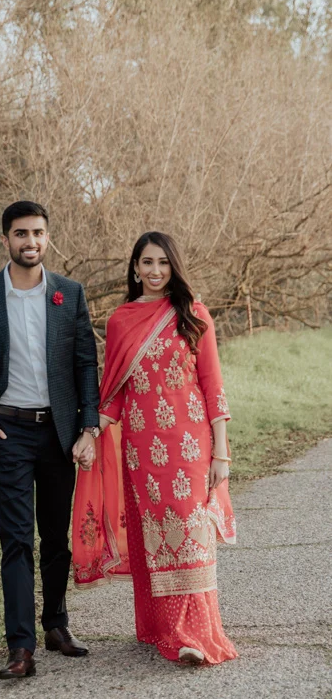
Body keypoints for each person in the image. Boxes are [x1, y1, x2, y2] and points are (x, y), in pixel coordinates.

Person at [0, 201, 100, 680]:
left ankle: (55, 626)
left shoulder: (69, 294)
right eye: (20, 234)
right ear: (5, 240)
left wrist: (89, 427)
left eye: (37, 233)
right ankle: (20, 648)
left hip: (58, 433)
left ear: (47, 238)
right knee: (16, 541)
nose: (29, 242)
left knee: (56, 538)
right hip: (7, 432)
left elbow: (86, 364)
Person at [72, 232, 237, 665]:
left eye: (163, 262)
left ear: (174, 266)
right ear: (134, 268)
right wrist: (91, 433)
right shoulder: (122, 320)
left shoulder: (194, 315)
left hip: (190, 444)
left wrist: (222, 453)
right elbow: (116, 395)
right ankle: (165, 629)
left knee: (190, 534)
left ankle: (196, 634)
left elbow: (212, 385)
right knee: (157, 537)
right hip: (143, 450)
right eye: (147, 262)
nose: (155, 271)